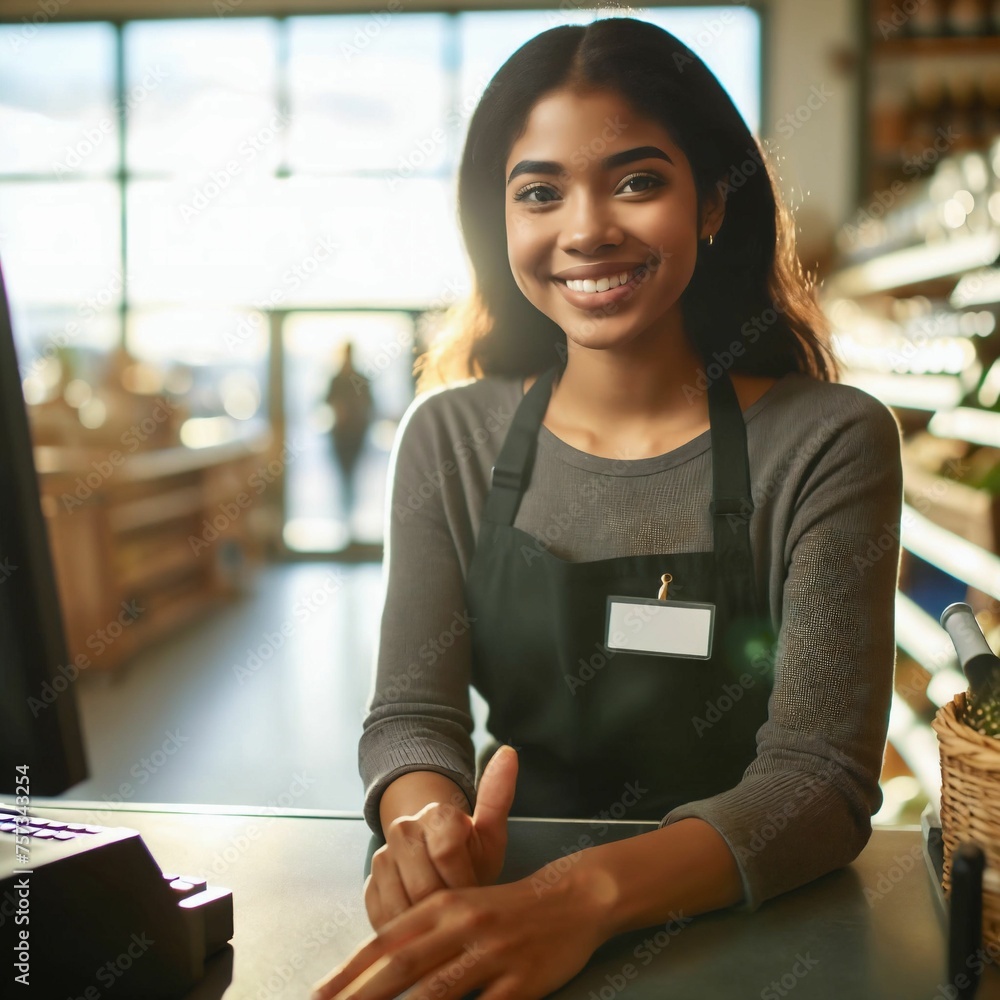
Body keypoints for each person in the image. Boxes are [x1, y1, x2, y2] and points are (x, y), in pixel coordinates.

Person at [313, 16, 903, 1000]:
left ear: (711, 201)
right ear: (497, 225)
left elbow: (817, 781)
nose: (585, 227)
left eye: (636, 181)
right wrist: (424, 825)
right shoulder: (449, 439)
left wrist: (581, 898)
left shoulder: (830, 440)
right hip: (500, 914)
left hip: (756, 929)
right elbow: (413, 716)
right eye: (539, 192)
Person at [324, 340, 374, 522]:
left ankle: (350, 512)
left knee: (353, 473)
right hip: (340, 435)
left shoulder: (361, 379)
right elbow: (326, 401)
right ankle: (345, 512)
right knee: (343, 474)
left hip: (356, 434)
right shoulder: (336, 379)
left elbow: (370, 404)